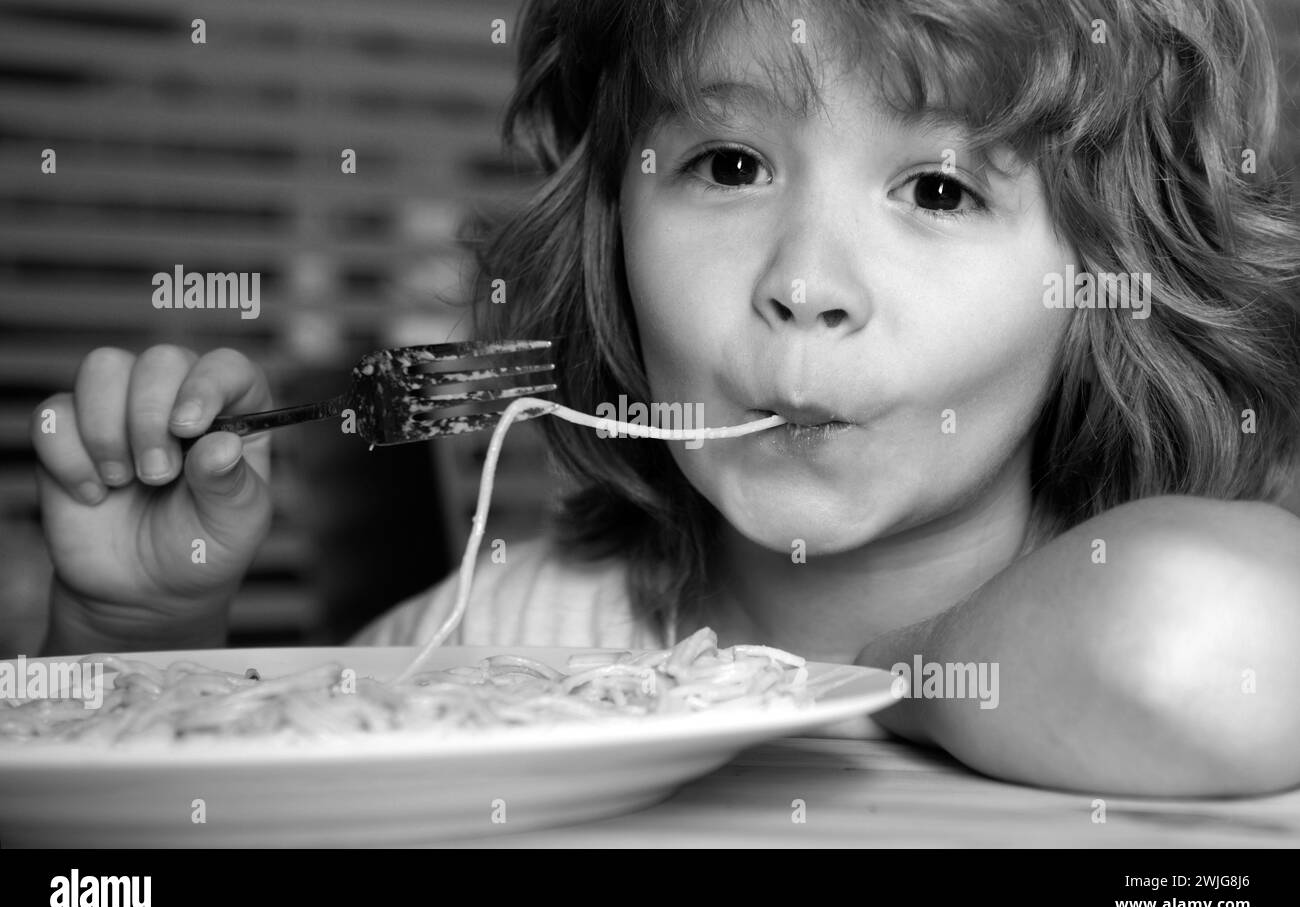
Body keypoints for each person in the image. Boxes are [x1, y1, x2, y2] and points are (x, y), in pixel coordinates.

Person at [29, 0, 1300, 796]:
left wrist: (878, 681)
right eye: (728, 162)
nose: (803, 284)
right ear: (611, 237)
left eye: (940, 191)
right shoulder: (487, 645)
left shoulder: (1189, 638)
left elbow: (1188, 637)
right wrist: (125, 643)